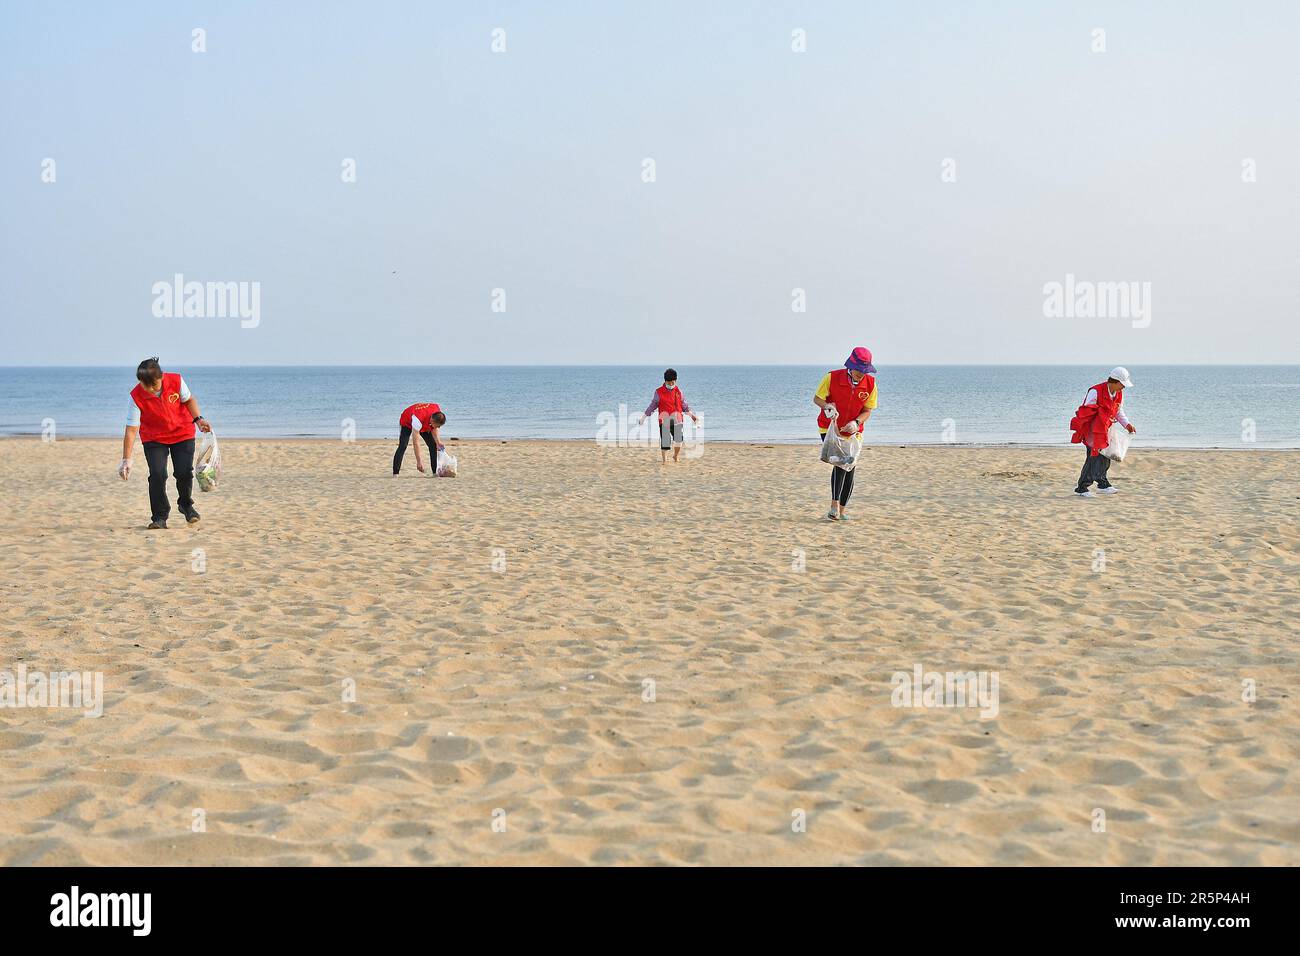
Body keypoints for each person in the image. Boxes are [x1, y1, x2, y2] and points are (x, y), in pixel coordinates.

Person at [118, 357, 212, 529]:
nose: (150, 389)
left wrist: (198, 419)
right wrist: (126, 460)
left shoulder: (176, 381)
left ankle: (186, 505)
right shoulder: (136, 396)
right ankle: (159, 517)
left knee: (183, 472)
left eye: (153, 384)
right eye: (145, 385)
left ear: (161, 376)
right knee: (158, 475)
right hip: (154, 439)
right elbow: (131, 429)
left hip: (182, 433)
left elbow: (189, 400)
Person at [813, 347, 878, 521]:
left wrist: (857, 423)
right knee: (841, 463)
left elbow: (867, 410)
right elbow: (818, 398)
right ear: (851, 365)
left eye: (865, 371)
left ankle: (841, 510)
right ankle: (834, 507)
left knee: (850, 467)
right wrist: (828, 407)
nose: (861, 374)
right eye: (859, 370)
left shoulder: (871, 384)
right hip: (830, 428)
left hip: (853, 430)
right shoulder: (832, 377)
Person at [1070, 366, 1137, 497]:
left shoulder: (1118, 393)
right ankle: (1082, 488)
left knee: (1106, 456)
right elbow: (1086, 410)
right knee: (1093, 457)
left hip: (1106, 428)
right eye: (1122, 384)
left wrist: (1127, 424)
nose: (1123, 387)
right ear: (1115, 381)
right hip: (1093, 430)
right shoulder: (1095, 391)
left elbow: (1118, 411)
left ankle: (1102, 484)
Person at [638, 368, 699, 464]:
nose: (671, 384)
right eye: (669, 382)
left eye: (673, 382)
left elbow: (684, 406)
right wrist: (644, 417)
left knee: (679, 440)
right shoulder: (658, 392)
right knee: (666, 442)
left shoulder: (679, 392)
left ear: (676, 381)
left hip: (677, 420)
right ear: (665, 381)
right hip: (664, 420)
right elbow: (653, 405)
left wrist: (692, 416)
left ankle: (675, 456)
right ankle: (664, 460)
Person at [394, 402, 446, 475]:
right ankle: (395, 473)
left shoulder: (437, 412)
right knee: (403, 446)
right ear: (431, 421)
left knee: (433, 445)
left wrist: (438, 442)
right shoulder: (417, 421)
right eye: (437, 426)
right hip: (407, 422)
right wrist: (419, 462)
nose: (438, 428)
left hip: (424, 422)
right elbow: (416, 443)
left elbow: (435, 428)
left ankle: (435, 472)